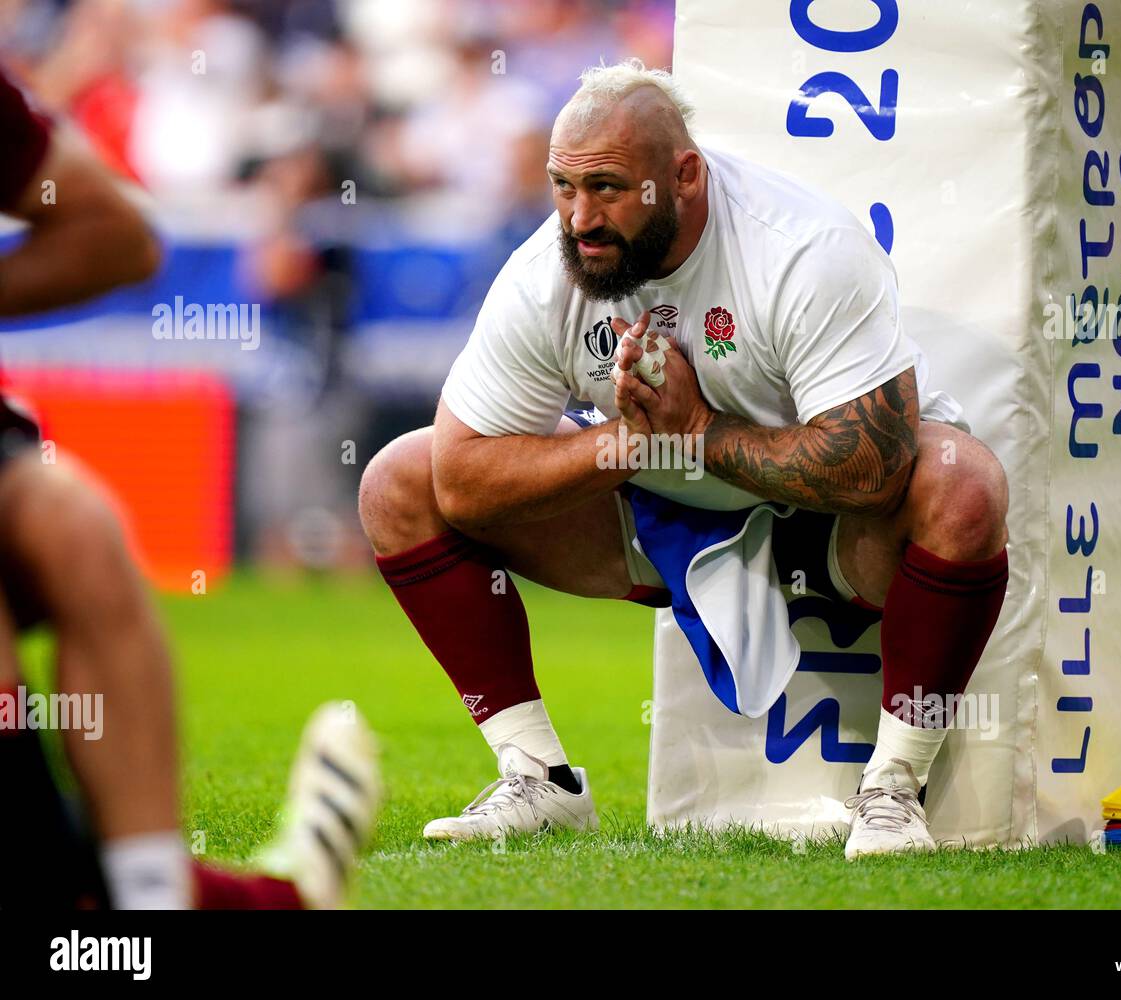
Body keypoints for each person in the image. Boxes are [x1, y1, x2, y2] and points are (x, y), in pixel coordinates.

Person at [360, 59, 1008, 858]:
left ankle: (893, 792)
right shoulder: (547, 274)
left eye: (606, 188)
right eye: (563, 187)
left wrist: (697, 430)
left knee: (962, 482)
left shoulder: (802, 247)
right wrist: (628, 442)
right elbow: (461, 483)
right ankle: (539, 778)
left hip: (838, 529)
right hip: (662, 521)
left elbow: (872, 468)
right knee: (398, 481)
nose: (579, 218)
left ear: (686, 176)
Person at [0, 62, 379, 908]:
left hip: (311, 388)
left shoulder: (325, 230)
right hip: (293, 389)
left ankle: (150, 903)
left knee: (78, 523)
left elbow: (124, 237)